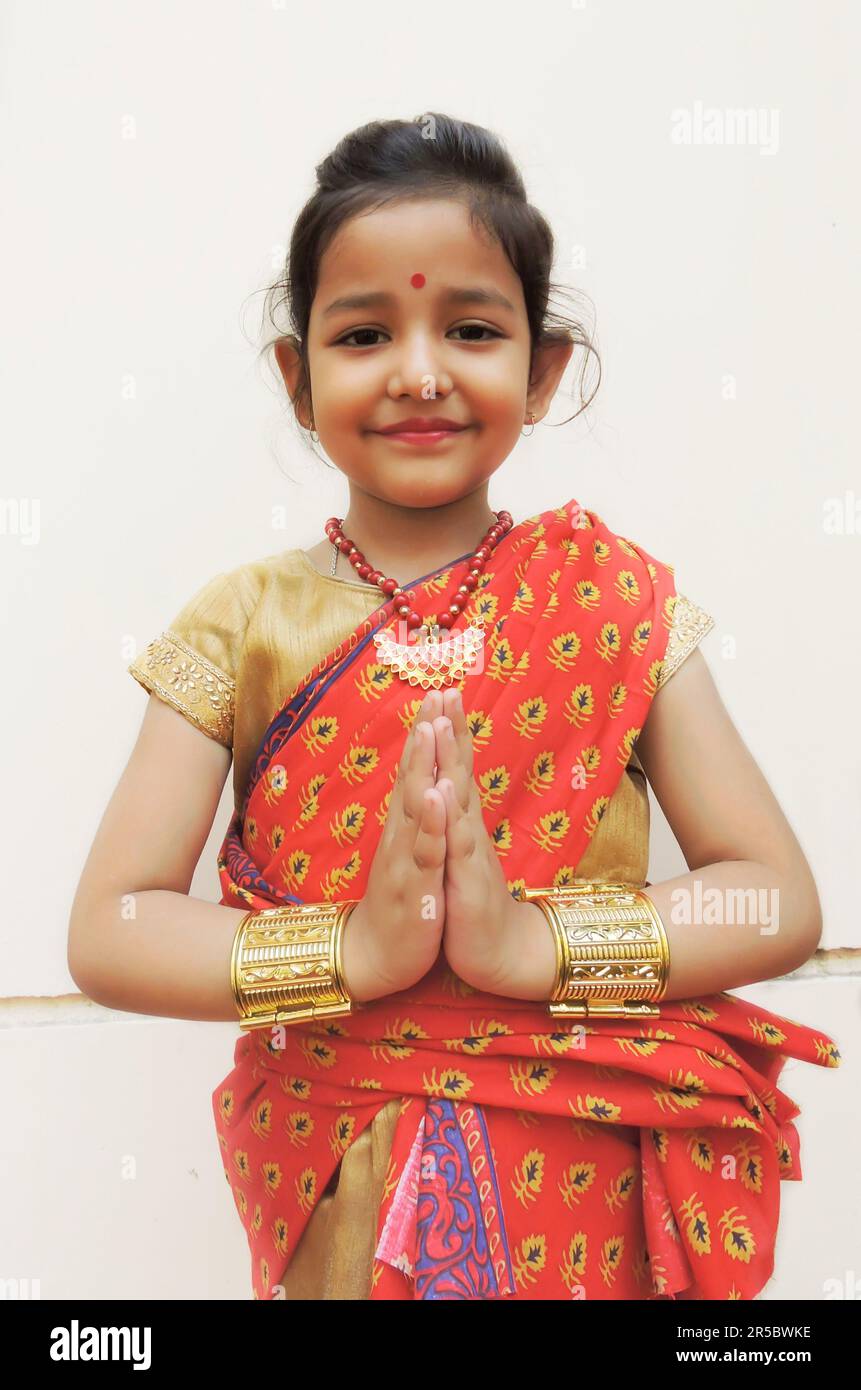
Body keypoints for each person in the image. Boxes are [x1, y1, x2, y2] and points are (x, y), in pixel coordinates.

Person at [68, 113, 841, 1302]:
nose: (420, 370)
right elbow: (111, 927)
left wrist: (533, 947)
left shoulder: (615, 602)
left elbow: (774, 896)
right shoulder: (241, 624)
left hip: (582, 1196)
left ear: (541, 373)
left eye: (471, 329)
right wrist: (352, 951)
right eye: (366, 332)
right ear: (297, 375)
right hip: (342, 1173)